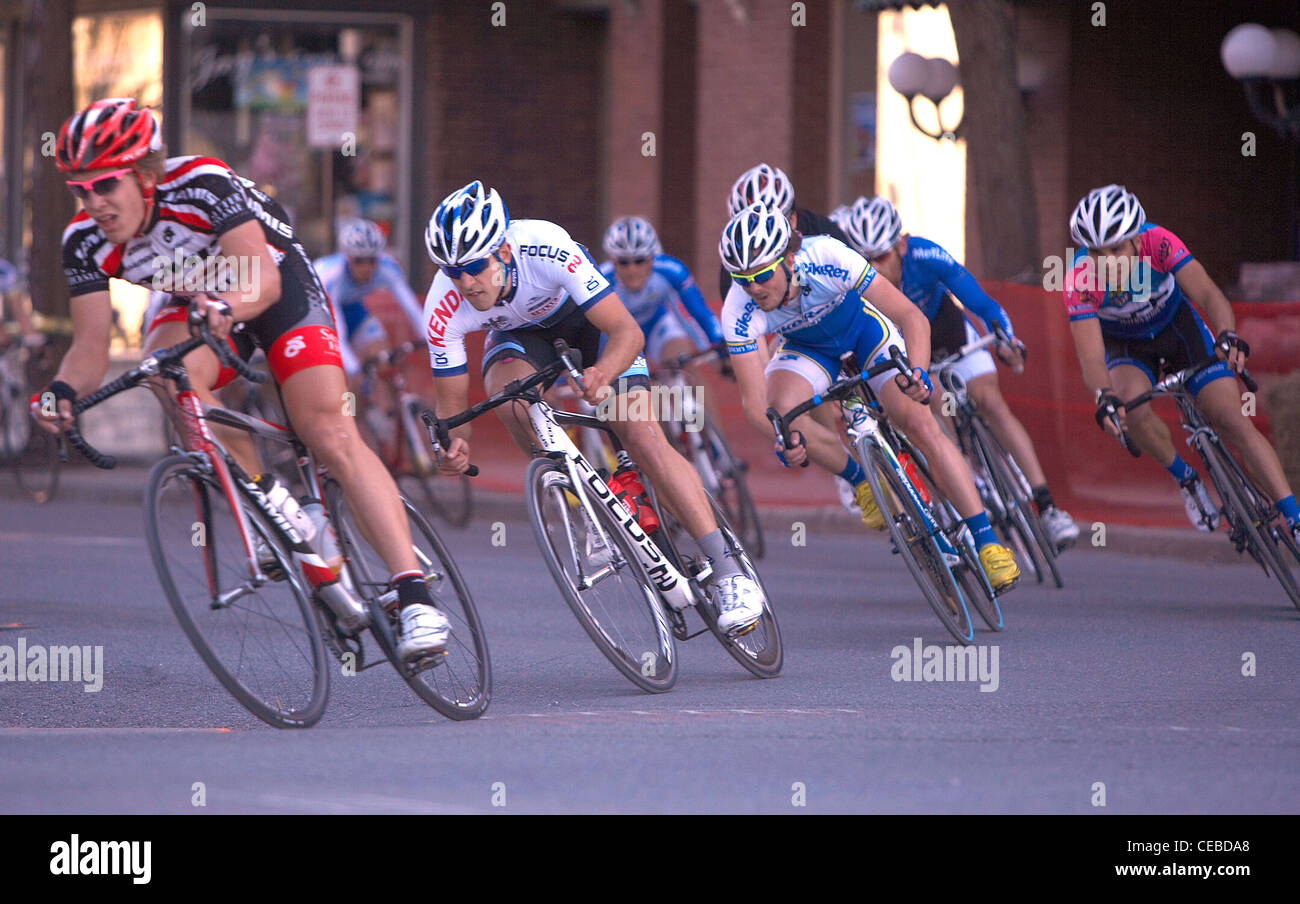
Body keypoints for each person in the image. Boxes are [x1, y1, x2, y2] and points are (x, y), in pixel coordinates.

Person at [33, 97, 449, 660]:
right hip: (197, 302)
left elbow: (262, 281)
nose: (93, 203)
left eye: (105, 185)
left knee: (327, 431)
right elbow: (88, 347)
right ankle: (267, 496)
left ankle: (416, 597)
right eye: (80, 190)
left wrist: (230, 304)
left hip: (272, 285)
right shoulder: (84, 241)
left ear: (145, 173)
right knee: (167, 372)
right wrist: (60, 392)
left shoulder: (201, 183)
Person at [423, 180, 766, 632]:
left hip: (589, 323)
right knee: (510, 401)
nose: (464, 282)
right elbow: (452, 410)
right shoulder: (443, 306)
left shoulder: (546, 247)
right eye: (452, 271)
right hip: (518, 339)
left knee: (642, 435)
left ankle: (729, 573)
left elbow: (628, 333)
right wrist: (455, 448)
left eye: (473, 266)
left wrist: (603, 371)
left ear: (503, 251)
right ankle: (589, 506)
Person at [718, 201, 1021, 593]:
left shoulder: (827, 255)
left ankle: (987, 543)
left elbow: (911, 316)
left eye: (761, 275)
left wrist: (917, 371)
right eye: (742, 279)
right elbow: (754, 402)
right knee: (780, 410)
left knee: (920, 424)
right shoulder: (738, 308)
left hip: (864, 331)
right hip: (808, 351)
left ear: (789, 258)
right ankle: (859, 477)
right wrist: (785, 438)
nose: (753, 288)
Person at [843, 195, 1079, 550]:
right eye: (865, 259)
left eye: (880, 256)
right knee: (939, 401)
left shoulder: (925, 255)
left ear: (901, 245)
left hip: (948, 330)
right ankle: (968, 475)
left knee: (990, 401)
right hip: (905, 346)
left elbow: (980, 301)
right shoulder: (853, 279)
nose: (872, 267)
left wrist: (1006, 337)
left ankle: (1047, 507)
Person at [1064, 184, 1299, 538]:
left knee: (1231, 419)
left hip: (1178, 330)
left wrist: (1227, 334)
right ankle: (1186, 479)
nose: (1106, 262)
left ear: (1136, 242)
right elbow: (1092, 357)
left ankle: (1294, 517)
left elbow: (1207, 292)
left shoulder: (1159, 242)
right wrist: (1103, 396)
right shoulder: (1079, 279)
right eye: (1097, 253)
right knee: (1131, 407)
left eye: (1116, 249)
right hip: (1127, 347)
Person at [716, 163, 851, 302]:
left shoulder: (822, 232)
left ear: (793, 219)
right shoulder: (735, 261)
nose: (766, 237)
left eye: (774, 224)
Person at [313, 218, 426, 379]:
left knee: (386, 361)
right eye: (359, 261)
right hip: (322, 315)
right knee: (348, 375)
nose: (366, 268)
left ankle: (388, 404)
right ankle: (353, 403)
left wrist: (429, 339)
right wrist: (353, 367)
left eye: (372, 260)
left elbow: (411, 308)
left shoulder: (387, 267)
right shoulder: (331, 276)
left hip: (355, 311)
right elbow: (337, 329)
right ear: (348, 258)